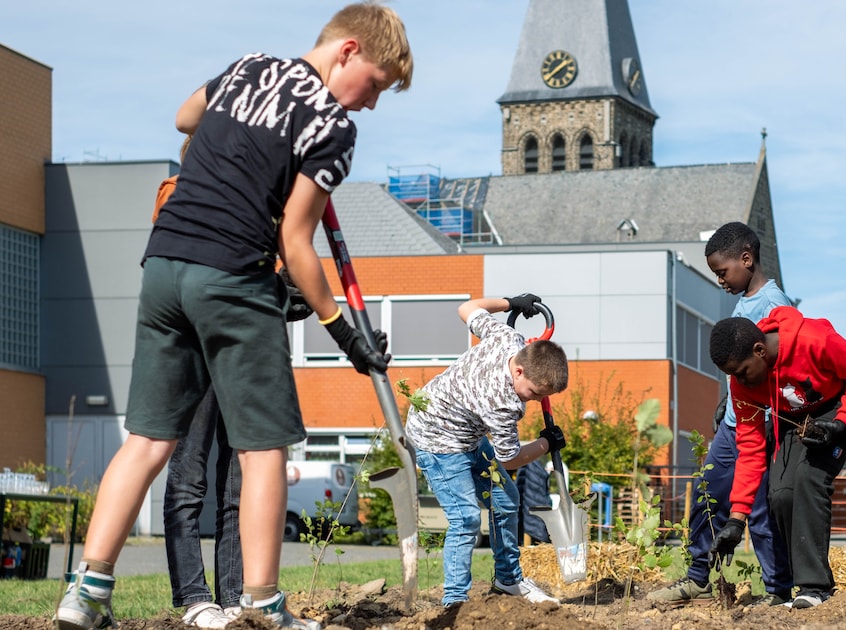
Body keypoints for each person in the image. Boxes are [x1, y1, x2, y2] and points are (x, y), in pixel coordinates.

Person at [53, 3, 412, 629]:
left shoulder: (248, 66)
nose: (371, 105)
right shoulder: (332, 126)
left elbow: (184, 116)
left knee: (145, 441)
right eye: (376, 85)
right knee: (263, 451)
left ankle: (85, 593)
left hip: (164, 266)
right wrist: (343, 335)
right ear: (349, 50)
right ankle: (265, 607)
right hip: (231, 276)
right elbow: (297, 246)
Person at [154, 137, 315, 629]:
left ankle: (232, 597)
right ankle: (193, 598)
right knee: (188, 478)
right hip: (192, 356)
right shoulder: (175, 192)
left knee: (234, 487)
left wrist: (286, 291)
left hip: (236, 356)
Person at [647, 222, 793, 606]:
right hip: (734, 425)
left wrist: (761, 420)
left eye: (722, 272)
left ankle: (778, 590)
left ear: (747, 259)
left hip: (759, 428)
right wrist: (728, 401)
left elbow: (777, 370)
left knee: (758, 509)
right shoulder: (746, 301)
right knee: (708, 496)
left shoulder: (774, 305)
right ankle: (698, 578)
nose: (720, 281)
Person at [405, 294, 570, 608]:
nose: (535, 400)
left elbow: (467, 308)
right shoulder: (503, 402)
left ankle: (508, 579)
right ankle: (455, 601)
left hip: (466, 433)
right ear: (519, 372)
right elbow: (508, 459)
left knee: (506, 500)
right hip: (436, 441)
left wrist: (509, 302)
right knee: (466, 519)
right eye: (534, 393)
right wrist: (546, 443)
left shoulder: (507, 338)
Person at [707, 309, 846, 609]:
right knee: (781, 494)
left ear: (760, 351)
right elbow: (750, 447)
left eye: (742, 371)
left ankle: (816, 587)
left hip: (840, 406)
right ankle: (791, 588)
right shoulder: (741, 385)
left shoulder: (814, 340)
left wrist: (841, 423)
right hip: (794, 417)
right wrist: (737, 519)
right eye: (732, 375)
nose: (739, 381)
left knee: (809, 479)